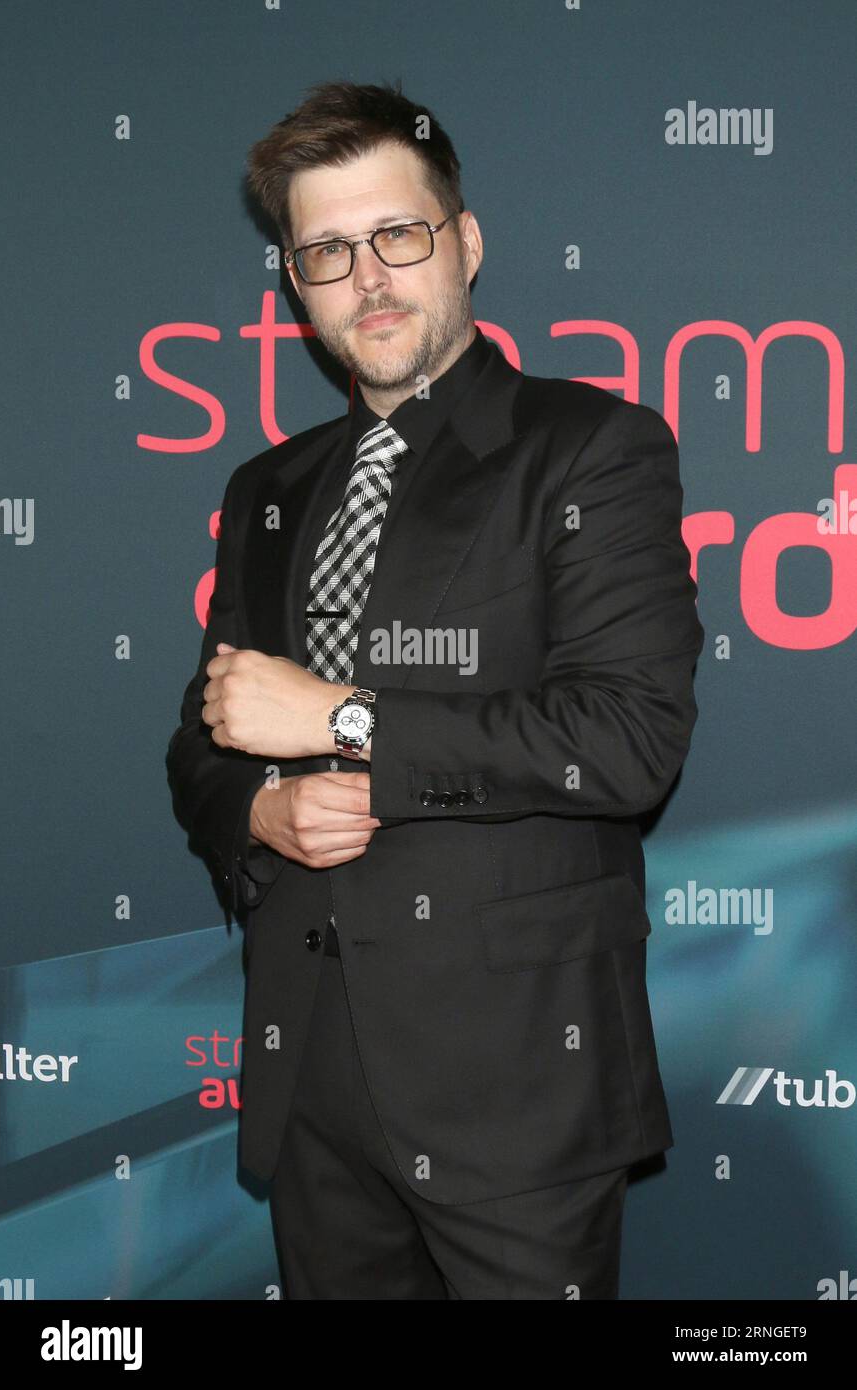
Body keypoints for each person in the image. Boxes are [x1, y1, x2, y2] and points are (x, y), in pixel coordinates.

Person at [166, 78, 705, 1300]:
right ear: (293, 285)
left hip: (514, 1089)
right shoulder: (268, 487)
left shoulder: (589, 448)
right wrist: (257, 810)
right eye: (325, 252)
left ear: (463, 240)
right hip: (312, 1083)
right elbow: (207, 736)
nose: (368, 278)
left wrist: (346, 721)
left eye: (396, 235)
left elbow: (628, 738)